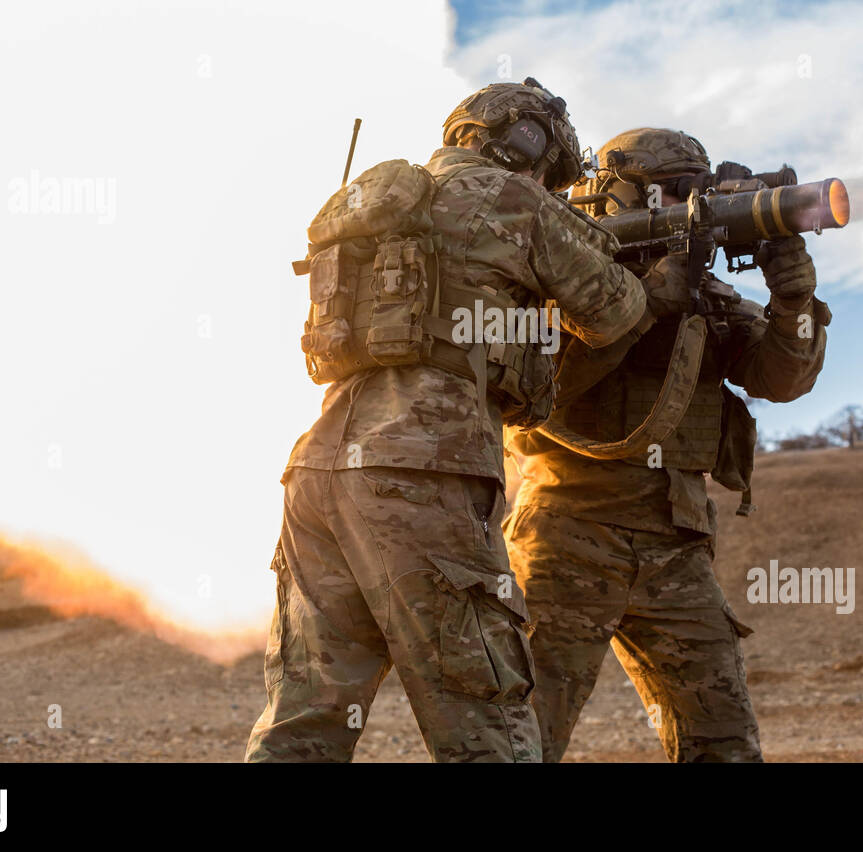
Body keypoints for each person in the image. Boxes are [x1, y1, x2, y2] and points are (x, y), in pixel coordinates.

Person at [246, 80, 654, 763]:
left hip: (317, 470)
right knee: (485, 717)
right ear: (532, 146)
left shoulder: (380, 204)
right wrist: (655, 279)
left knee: (302, 724)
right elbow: (614, 310)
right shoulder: (516, 198)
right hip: (423, 473)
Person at [503, 128, 829, 762]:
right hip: (570, 533)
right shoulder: (560, 282)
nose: (690, 202)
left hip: (676, 545)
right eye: (673, 192)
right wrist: (641, 305)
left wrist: (794, 300)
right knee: (523, 740)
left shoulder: (705, 296)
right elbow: (538, 391)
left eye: (695, 191)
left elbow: (781, 379)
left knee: (723, 741)